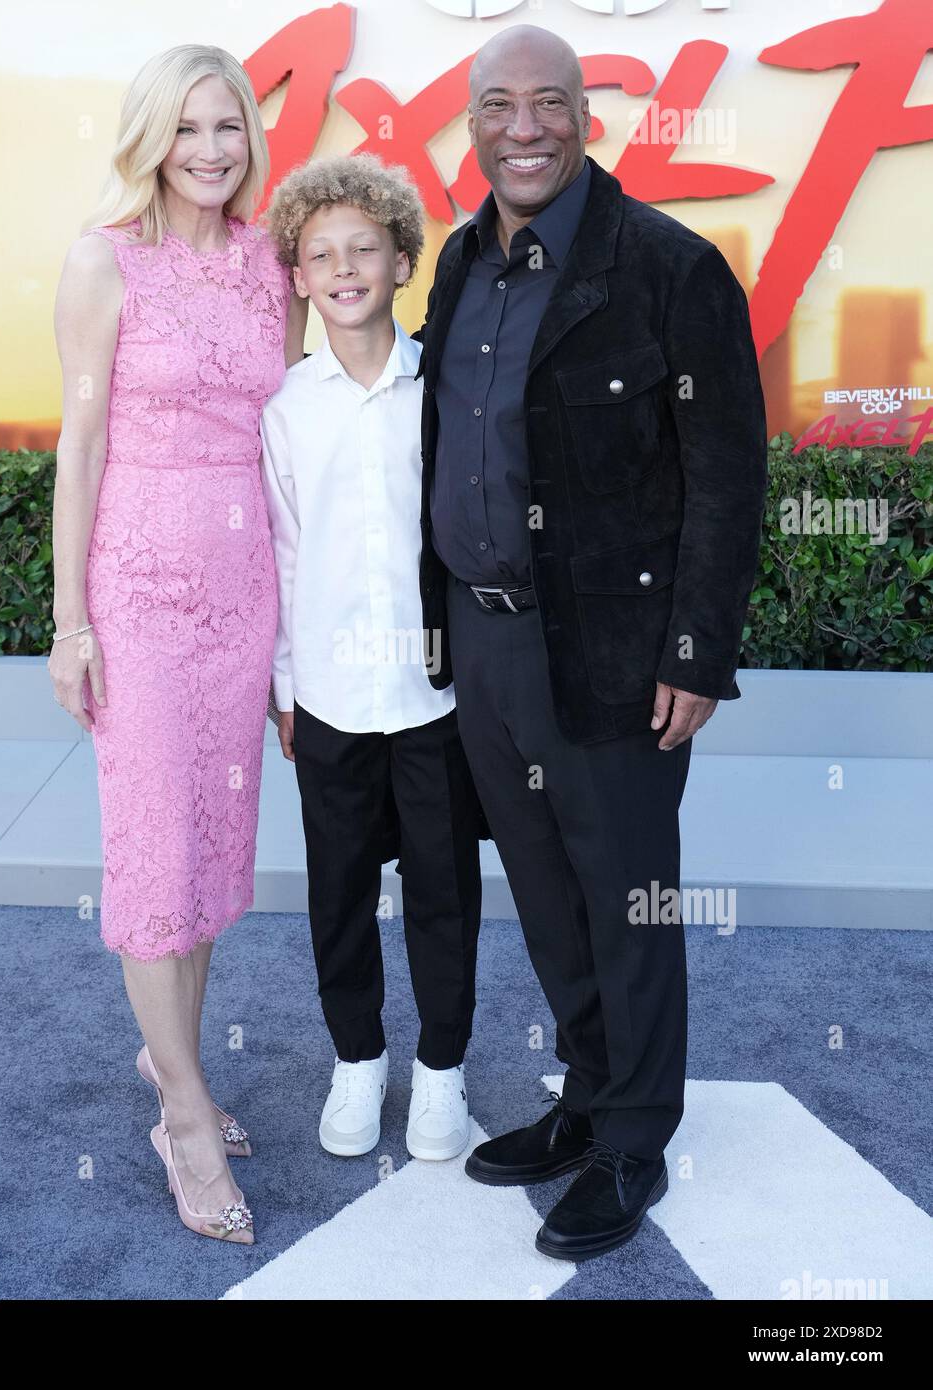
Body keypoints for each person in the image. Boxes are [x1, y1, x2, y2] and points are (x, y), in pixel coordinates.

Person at [413, 25, 768, 1258]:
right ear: (471, 124)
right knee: (550, 895)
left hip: (614, 647)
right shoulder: (459, 263)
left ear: (584, 117)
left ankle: (631, 1139)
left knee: (626, 895)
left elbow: (725, 477)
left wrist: (693, 650)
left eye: (548, 102)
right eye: (498, 105)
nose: (523, 127)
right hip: (484, 640)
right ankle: (584, 1093)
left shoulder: (668, 265)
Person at [48, 43, 307, 1245]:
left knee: (208, 852)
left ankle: (174, 1064)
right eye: (189, 129)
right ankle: (188, 1114)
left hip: (243, 585)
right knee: (154, 850)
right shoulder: (103, 262)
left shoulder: (273, 262)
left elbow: (297, 435)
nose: (210, 152)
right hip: (139, 594)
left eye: (229, 130)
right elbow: (82, 449)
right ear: (149, 135)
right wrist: (69, 621)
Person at [259, 153, 485, 1163]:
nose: (343, 267)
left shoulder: (446, 384)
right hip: (333, 695)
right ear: (298, 277)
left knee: (442, 886)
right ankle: (358, 1057)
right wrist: (286, 687)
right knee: (339, 886)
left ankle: (441, 1067)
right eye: (319, 254)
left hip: (434, 693)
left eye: (363, 248)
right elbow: (282, 548)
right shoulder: (286, 409)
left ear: (401, 259)